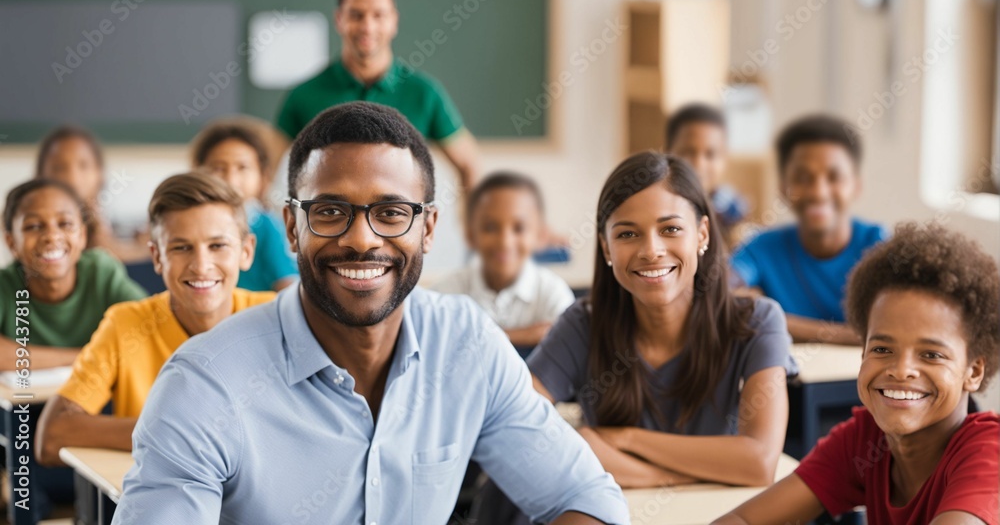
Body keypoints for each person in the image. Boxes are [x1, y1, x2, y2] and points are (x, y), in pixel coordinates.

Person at [111, 102, 628, 525]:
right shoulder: (205, 384)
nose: (361, 238)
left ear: (427, 229)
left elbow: (585, 499)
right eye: (330, 211)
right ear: (291, 227)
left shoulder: (467, 345)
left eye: (391, 213)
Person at [528, 151, 795, 489]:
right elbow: (518, 425)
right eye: (627, 234)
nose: (651, 250)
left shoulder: (758, 321)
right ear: (606, 248)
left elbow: (757, 462)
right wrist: (672, 477)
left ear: (702, 235)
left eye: (670, 228)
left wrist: (626, 439)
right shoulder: (583, 324)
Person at [712, 223, 1000, 525]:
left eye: (931, 355)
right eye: (882, 349)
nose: (901, 370)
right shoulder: (867, 441)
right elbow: (743, 519)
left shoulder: (988, 455)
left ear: (974, 371)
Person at [35, 172, 274, 466]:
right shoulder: (125, 325)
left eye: (217, 246)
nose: (201, 266)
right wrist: (179, 431)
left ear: (246, 251)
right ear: (157, 257)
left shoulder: (275, 321)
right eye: (181, 247)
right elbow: (53, 435)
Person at [275, 0, 479, 192]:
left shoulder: (424, 93)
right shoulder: (304, 95)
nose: (367, 27)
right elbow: (263, 164)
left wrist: (470, 225)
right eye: (356, 15)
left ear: (394, 21)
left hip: (403, 223)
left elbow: (470, 166)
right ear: (339, 20)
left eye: (378, 15)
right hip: (327, 223)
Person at [730, 115, 888, 345]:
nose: (818, 192)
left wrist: (773, 320)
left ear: (856, 186)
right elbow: (723, 293)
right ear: (783, 187)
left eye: (834, 177)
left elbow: (888, 334)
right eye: (803, 178)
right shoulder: (760, 249)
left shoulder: (879, 247)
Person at [1, 178, 146, 371]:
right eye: (34, 226)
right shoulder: (5, 285)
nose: (52, 235)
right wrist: (87, 355)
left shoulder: (100, 271)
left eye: (65, 223)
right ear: (12, 243)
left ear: (83, 236)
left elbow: (147, 330)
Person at [433, 171, 575, 349]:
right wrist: (521, 335)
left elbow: (565, 338)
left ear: (540, 235)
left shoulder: (551, 292)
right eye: (490, 227)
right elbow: (436, 337)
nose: (505, 242)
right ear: (470, 235)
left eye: (519, 228)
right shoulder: (448, 291)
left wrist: (477, 336)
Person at [192, 121, 298, 291]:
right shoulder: (191, 223)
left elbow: (288, 286)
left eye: (242, 168)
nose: (230, 179)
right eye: (218, 168)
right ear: (197, 172)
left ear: (263, 176)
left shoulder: (267, 226)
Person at [35, 125, 149, 262]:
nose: (72, 177)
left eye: (83, 165)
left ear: (100, 174)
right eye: (59, 168)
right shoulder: (28, 222)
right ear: (41, 175)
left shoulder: (113, 226)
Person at [665, 103, 749, 246]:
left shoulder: (732, 209)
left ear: (724, 159)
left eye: (710, 154)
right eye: (687, 152)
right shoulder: (658, 204)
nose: (699, 164)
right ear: (667, 152)